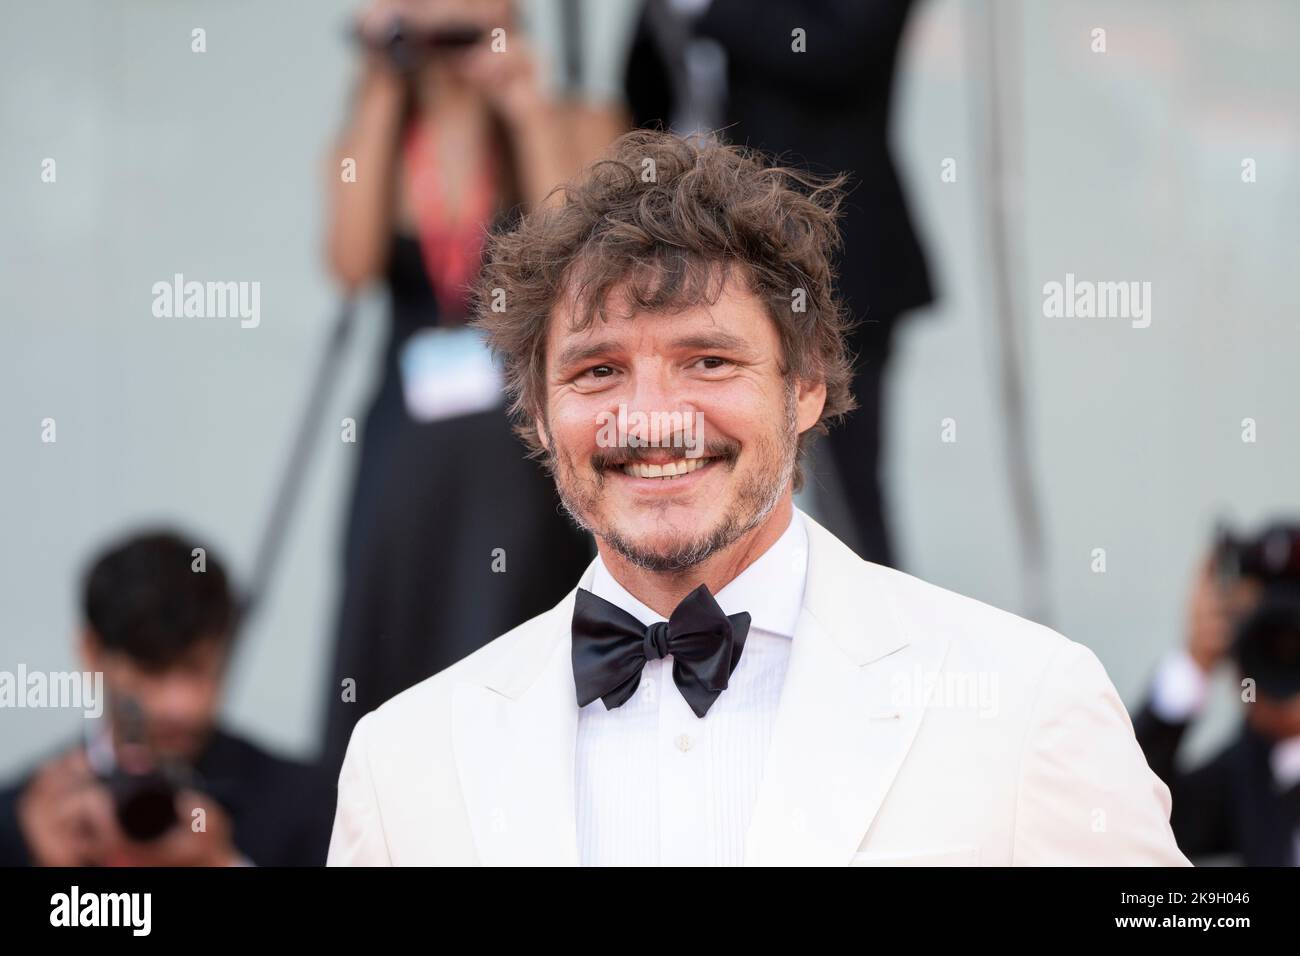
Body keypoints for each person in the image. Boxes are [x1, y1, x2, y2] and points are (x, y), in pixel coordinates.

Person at [326, 130, 1186, 866]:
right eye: (599, 371)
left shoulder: (1028, 701)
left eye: (708, 361)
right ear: (540, 416)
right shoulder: (405, 763)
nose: (651, 419)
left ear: (805, 387)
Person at [320, 0, 606, 776]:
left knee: (508, 612)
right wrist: (382, 85)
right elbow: (348, 265)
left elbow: (578, 263)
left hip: (518, 424)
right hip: (409, 427)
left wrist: (525, 109)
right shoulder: (377, 134)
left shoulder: (576, 119)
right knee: (397, 610)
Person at [623, 0, 935, 567]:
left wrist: (708, 8)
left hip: (834, 254)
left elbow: (837, 53)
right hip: (691, 261)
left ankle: (869, 644)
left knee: (848, 482)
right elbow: (639, 100)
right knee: (698, 466)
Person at [0, 532, 333, 866]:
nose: (180, 706)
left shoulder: (306, 807)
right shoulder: (23, 822)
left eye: (199, 669)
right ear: (92, 652)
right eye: (151, 671)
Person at [1132, 525, 1300, 865]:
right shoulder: (1245, 774)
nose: (1286, 651)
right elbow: (1133, 815)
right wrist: (1193, 665)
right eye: (1264, 634)